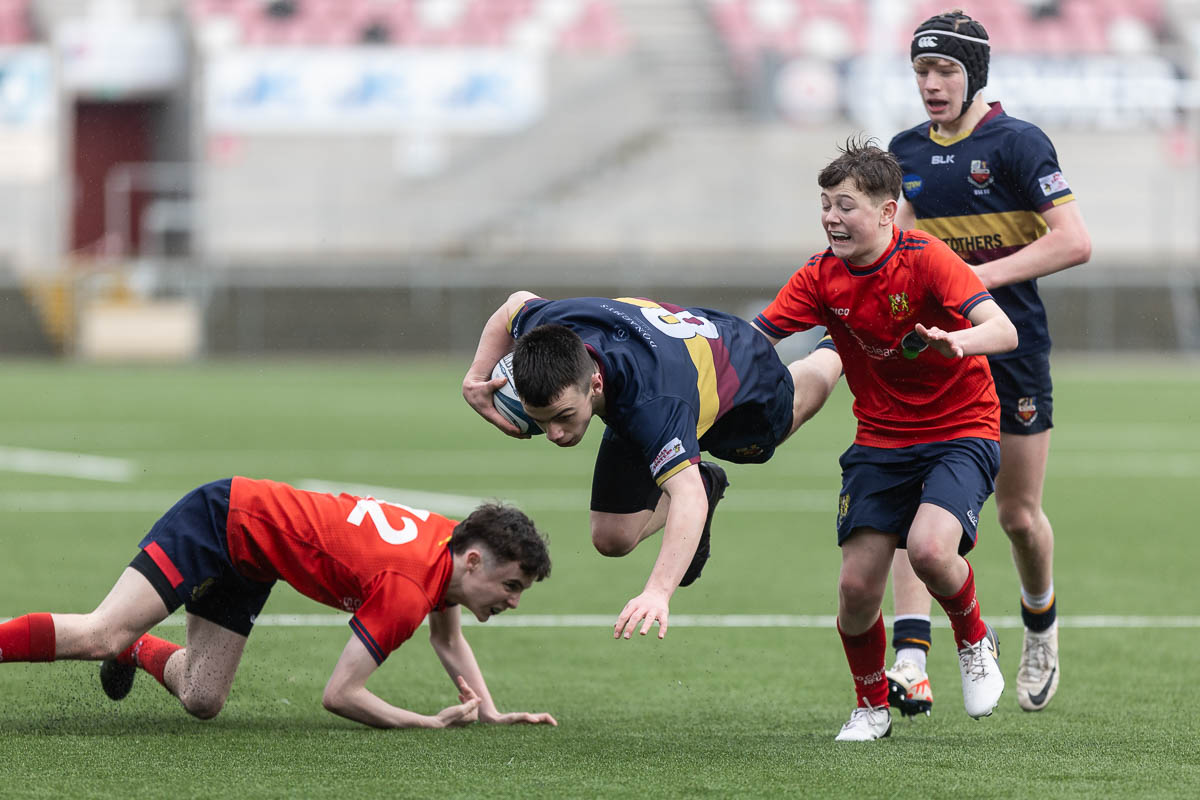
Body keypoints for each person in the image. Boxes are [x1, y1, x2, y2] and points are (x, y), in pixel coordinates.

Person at [752, 136, 1018, 741]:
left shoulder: (926, 259)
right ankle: (871, 707)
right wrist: (694, 356)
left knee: (928, 549)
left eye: (845, 205)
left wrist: (960, 342)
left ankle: (975, 639)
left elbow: (1002, 331)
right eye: (825, 203)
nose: (830, 217)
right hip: (880, 438)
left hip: (961, 427)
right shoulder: (821, 275)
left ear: (885, 212)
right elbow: (754, 339)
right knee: (854, 587)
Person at [885, 9, 1092, 716]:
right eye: (922, 71)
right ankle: (912, 657)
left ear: (974, 74)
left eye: (945, 70)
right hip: (940, 356)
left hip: (1012, 348)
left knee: (1017, 515)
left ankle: (1041, 623)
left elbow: (1073, 241)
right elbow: (896, 252)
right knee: (920, 504)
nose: (932, 84)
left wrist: (979, 282)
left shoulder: (1017, 143)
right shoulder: (903, 152)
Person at [0, 476, 557, 730]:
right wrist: (421, 723)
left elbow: (449, 638)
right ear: (475, 562)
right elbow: (340, 695)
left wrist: (489, 710)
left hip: (252, 562)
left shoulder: (445, 547)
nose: (512, 601)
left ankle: (135, 648)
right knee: (101, 631)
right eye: (512, 587)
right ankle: (118, 643)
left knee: (201, 699)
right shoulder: (408, 589)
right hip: (218, 520)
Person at [463, 293, 842, 641]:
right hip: (657, 372)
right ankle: (705, 477)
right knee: (611, 538)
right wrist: (476, 378)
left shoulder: (653, 404)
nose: (554, 434)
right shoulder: (549, 326)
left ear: (594, 383)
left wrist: (657, 592)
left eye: (562, 416)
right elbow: (515, 304)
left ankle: (841, 341)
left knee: (791, 412)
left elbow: (686, 496)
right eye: (540, 420)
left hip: (741, 378)